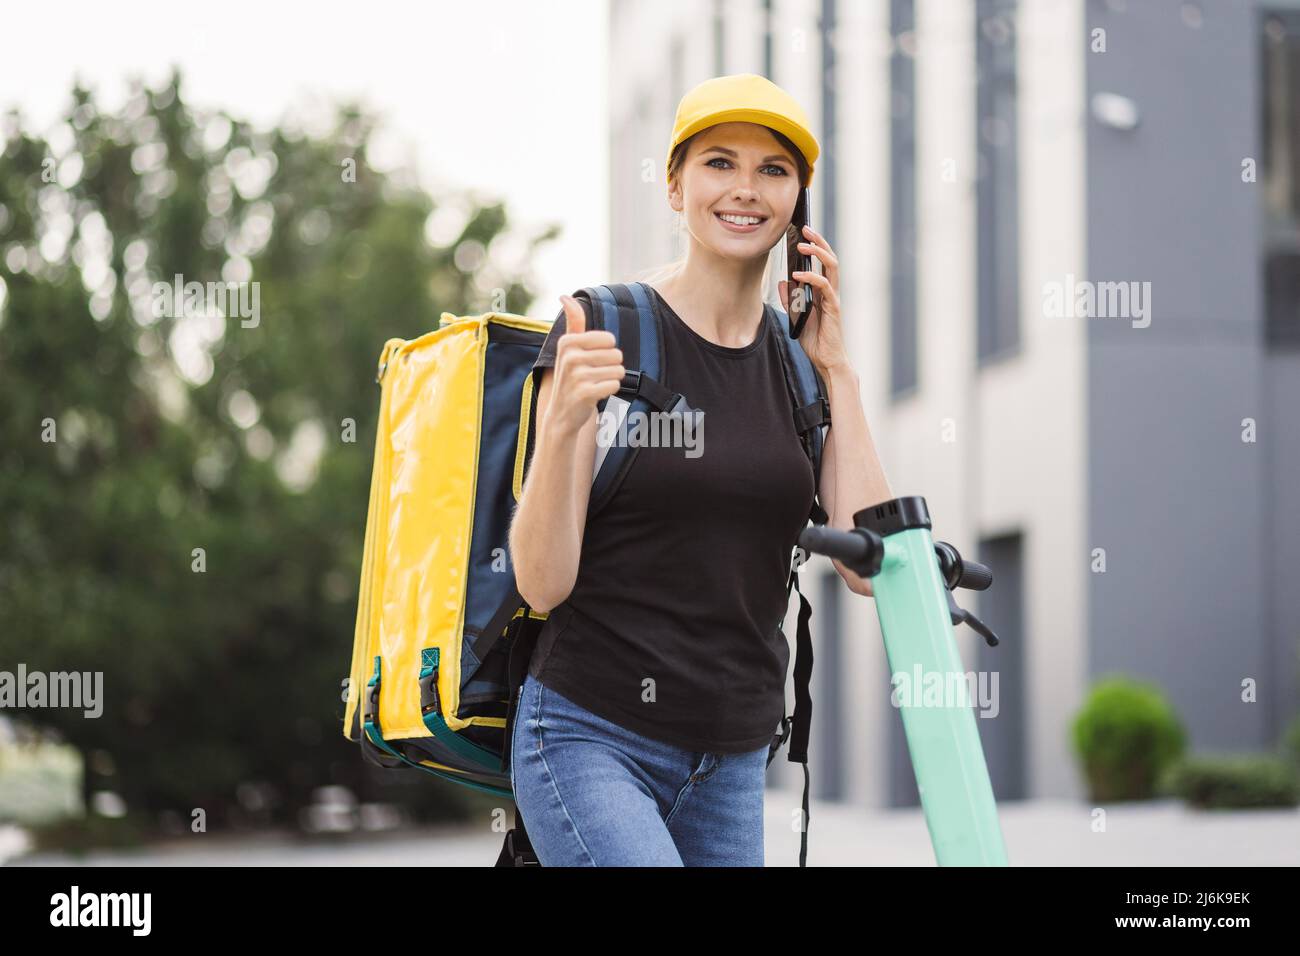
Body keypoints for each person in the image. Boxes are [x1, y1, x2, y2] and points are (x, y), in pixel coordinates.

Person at [506, 73, 892, 866]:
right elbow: (542, 583)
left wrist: (839, 368)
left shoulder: (798, 367)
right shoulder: (600, 326)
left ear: (799, 206)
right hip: (588, 733)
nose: (745, 190)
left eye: (773, 170)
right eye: (720, 163)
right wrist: (567, 424)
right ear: (675, 186)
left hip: (733, 757)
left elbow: (870, 563)